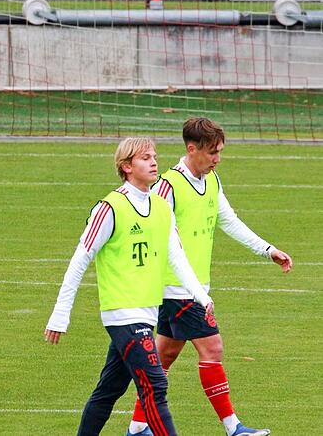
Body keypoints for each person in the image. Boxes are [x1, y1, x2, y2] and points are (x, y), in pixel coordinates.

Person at [125, 118, 292, 436]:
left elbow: (228, 220)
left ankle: (137, 425)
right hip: (177, 288)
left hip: (193, 287)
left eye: (219, 152)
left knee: (165, 355)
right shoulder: (167, 187)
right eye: (212, 152)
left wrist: (266, 250)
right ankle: (233, 428)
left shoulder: (212, 180)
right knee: (212, 349)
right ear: (192, 149)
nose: (217, 158)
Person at [45, 137, 215, 436]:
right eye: (145, 157)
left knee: (109, 389)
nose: (153, 162)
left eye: (154, 156)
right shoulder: (110, 208)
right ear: (126, 167)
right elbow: (79, 260)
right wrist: (60, 314)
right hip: (122, 313)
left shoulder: (162, 207)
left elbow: (176, 257)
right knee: (155, 386)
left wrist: (200, 295)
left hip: (146, 312)